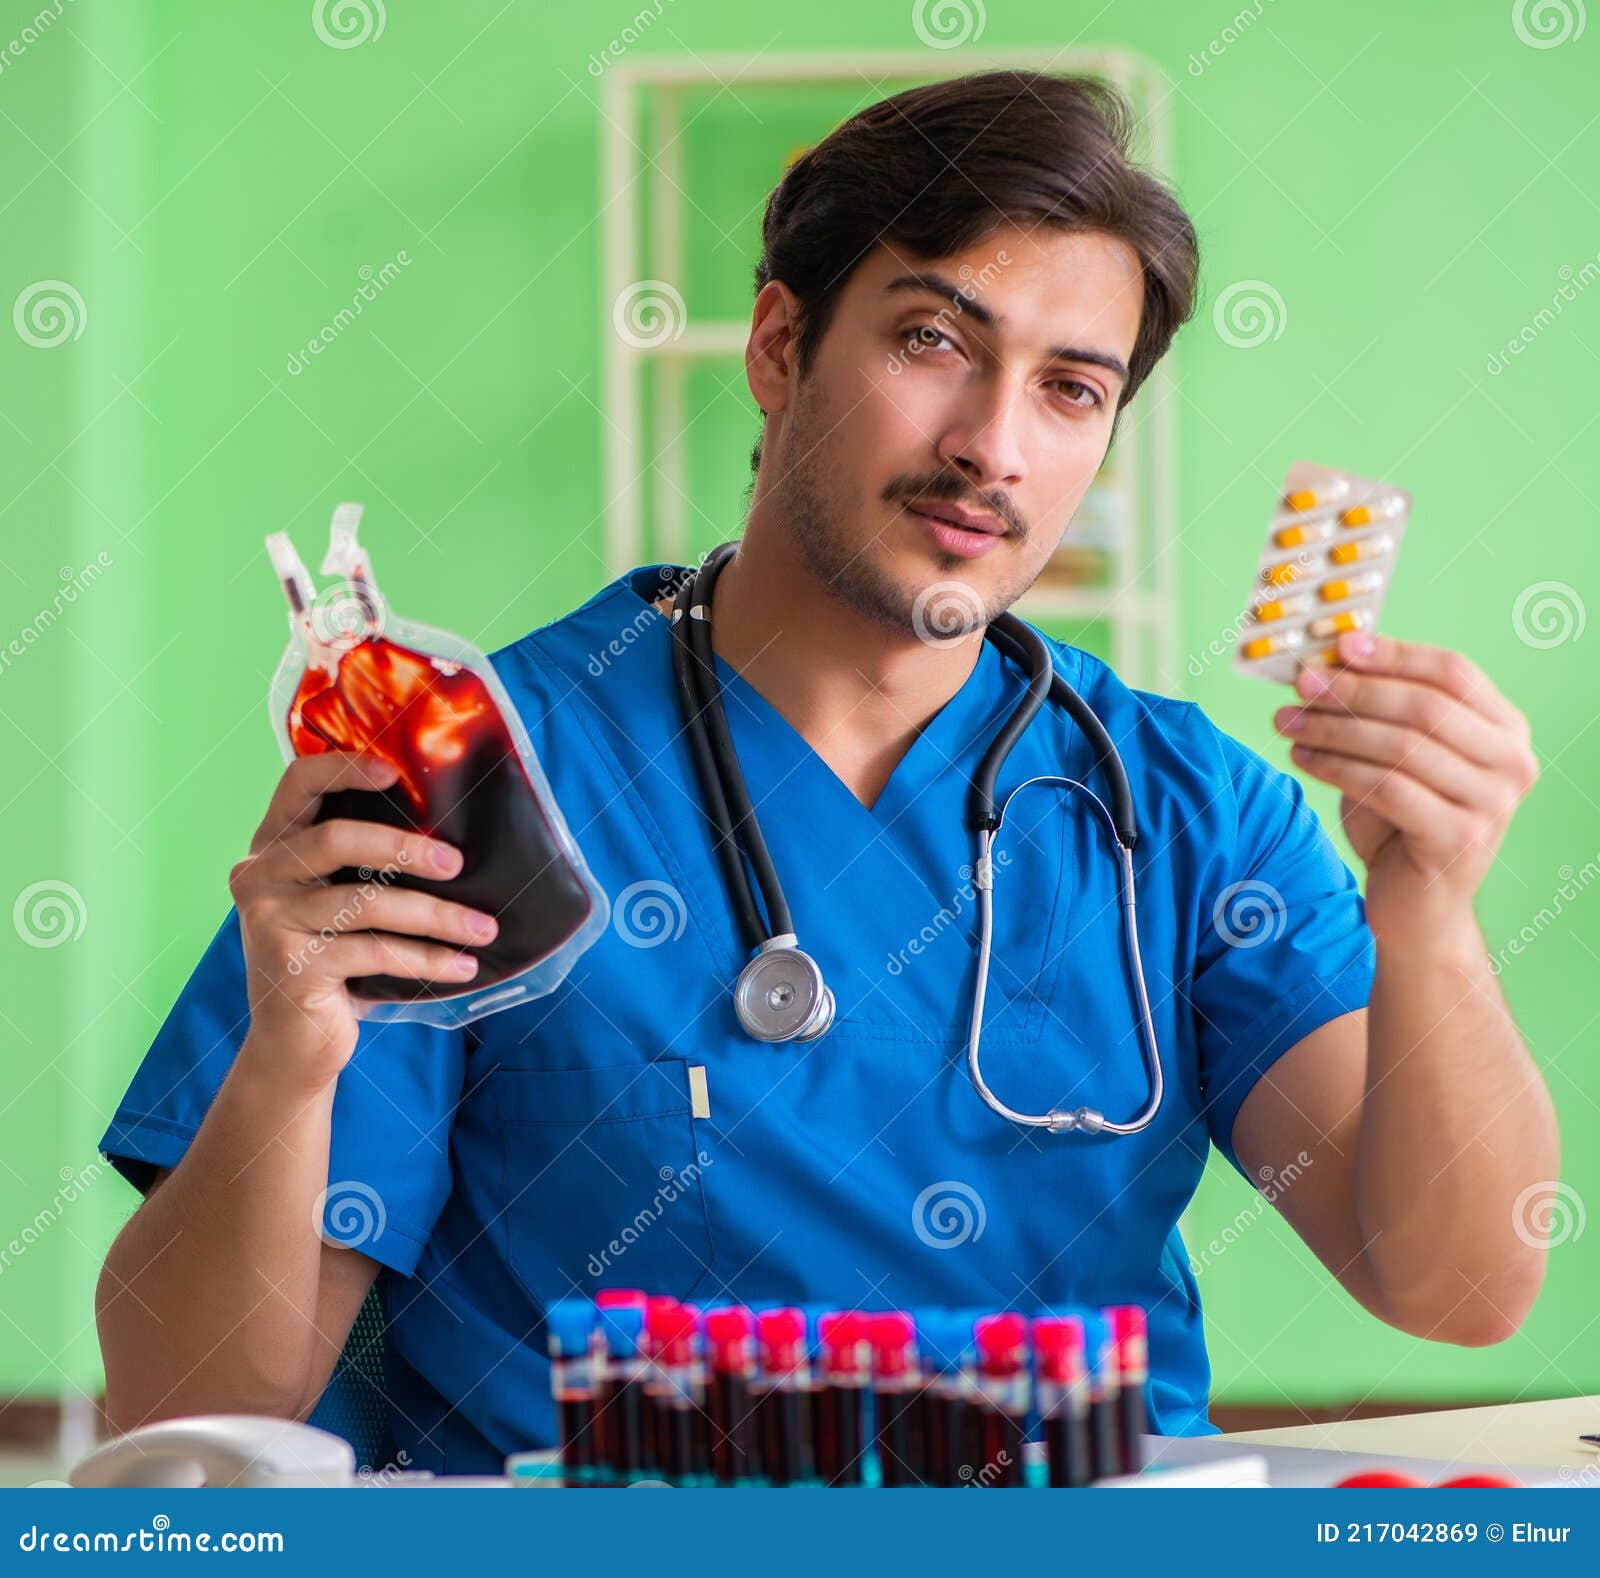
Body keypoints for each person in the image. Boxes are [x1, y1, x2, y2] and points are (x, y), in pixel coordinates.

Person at [95, 69, 1555, 1475]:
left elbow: (1455, 1286)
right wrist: (290, 1059)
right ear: (781, 346)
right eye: (933, 340)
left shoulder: (1183, 810)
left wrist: (1428, 905)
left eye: (1068, 389)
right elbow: (190, 1401)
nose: (993, 443)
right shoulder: (476, 772)